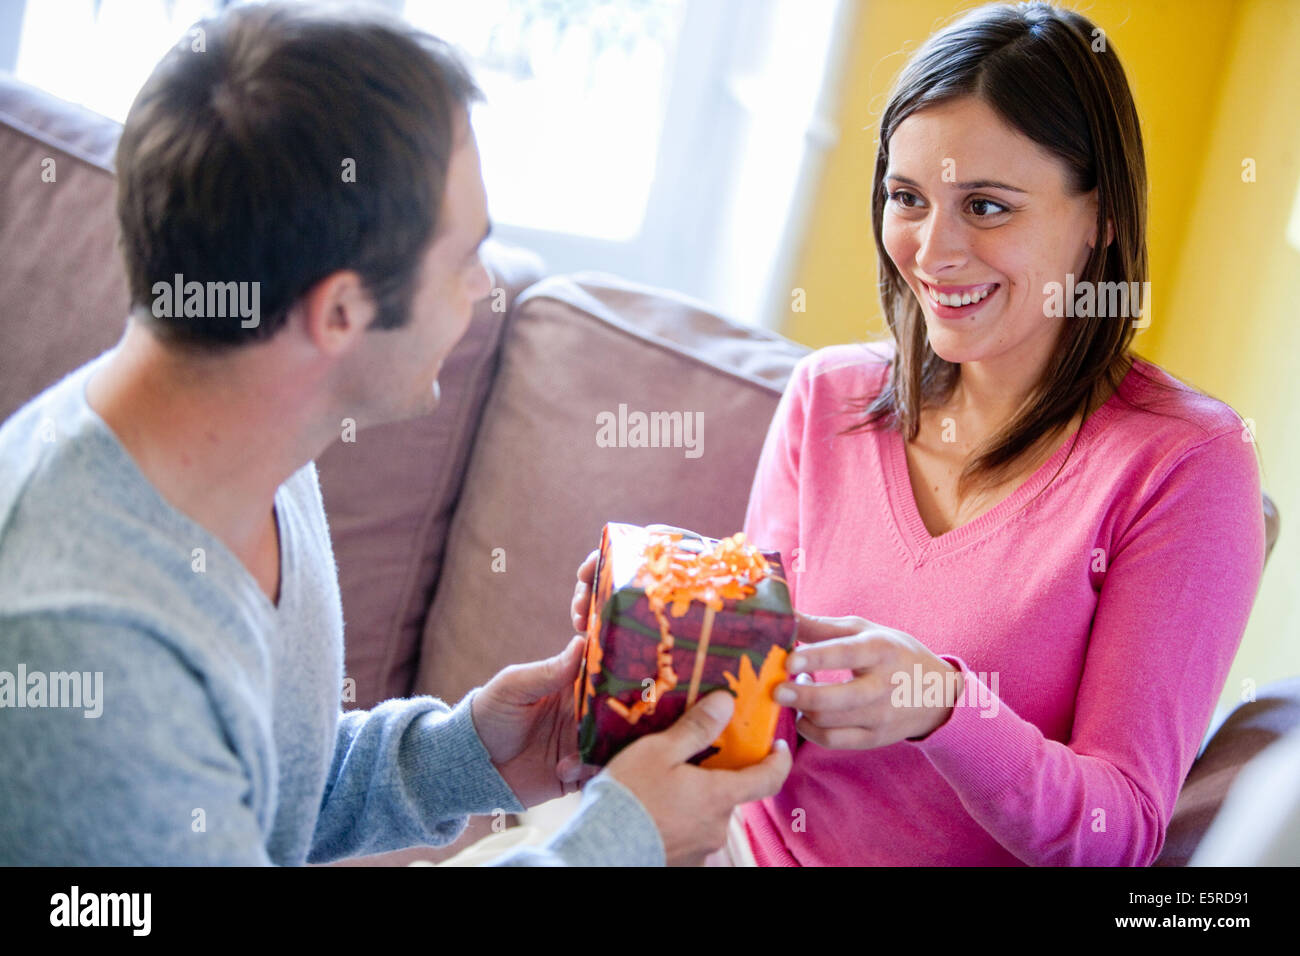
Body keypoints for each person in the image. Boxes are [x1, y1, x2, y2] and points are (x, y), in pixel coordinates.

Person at [0, 2, 789, 867]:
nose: (481, 288)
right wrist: (619, 845)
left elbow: (256, 795)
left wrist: (467, 757)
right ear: (340, 312)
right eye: (463, 258)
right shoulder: (84, 647)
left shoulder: (255, 435)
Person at [710, 1, 1266, 865]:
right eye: (907, 198)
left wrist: (944, 707)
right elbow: (749, 712)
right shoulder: (827, 396)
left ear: (1099, 220)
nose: (933, 251)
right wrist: (660, 634)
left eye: (986, 206)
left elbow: (1118, 833)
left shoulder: (1185, 464)